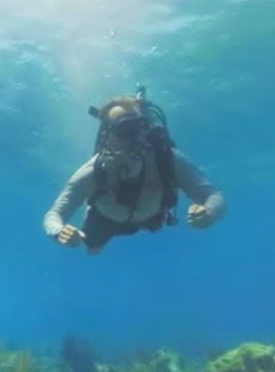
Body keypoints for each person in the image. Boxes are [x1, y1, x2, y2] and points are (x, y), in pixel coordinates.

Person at [43, 87, 226, 254]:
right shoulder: (93, 171)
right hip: (105, 220)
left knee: (97, 248)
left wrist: (209, 211)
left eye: (139, 127)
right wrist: (59, 231)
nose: (135, 137)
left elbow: (213, 194)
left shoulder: (167, 158)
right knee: (91, 250)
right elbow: (54, 215)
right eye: (125, 129)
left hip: (150, 218)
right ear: (108, 136)